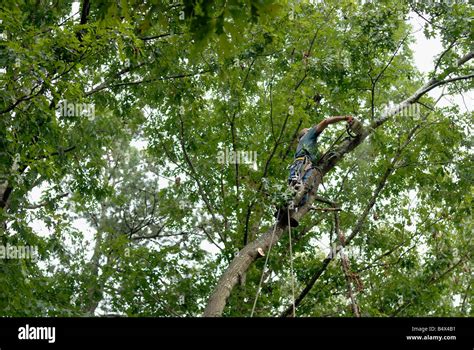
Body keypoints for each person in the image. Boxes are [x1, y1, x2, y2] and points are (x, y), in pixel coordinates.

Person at [277, 115, 355, 227]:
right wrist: (345, 118)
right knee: (297, 187)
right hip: (302, 165)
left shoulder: (308, 145)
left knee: (301, 193)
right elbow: (326, 121)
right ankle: (286, 209)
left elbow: (321, 158)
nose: (312, 129)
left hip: (304, 165)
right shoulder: (309, 135)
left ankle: (289, 211)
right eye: (310, 129)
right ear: (307, 132)